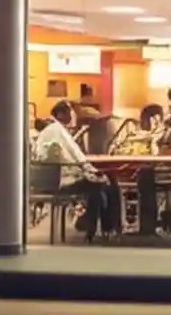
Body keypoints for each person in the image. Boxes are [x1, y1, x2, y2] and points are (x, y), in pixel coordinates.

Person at [32, 100, 121, 242]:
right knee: (105, 185)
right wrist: (91, 171)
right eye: (70, 112)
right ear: (61, 114)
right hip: (59, 181)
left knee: (99, 186)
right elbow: (76, 156)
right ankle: (104, 229)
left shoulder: (49, 131)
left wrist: (89, 172)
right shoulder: (58, 130)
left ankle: (94, 228)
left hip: (48, 180)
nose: (73, 116)